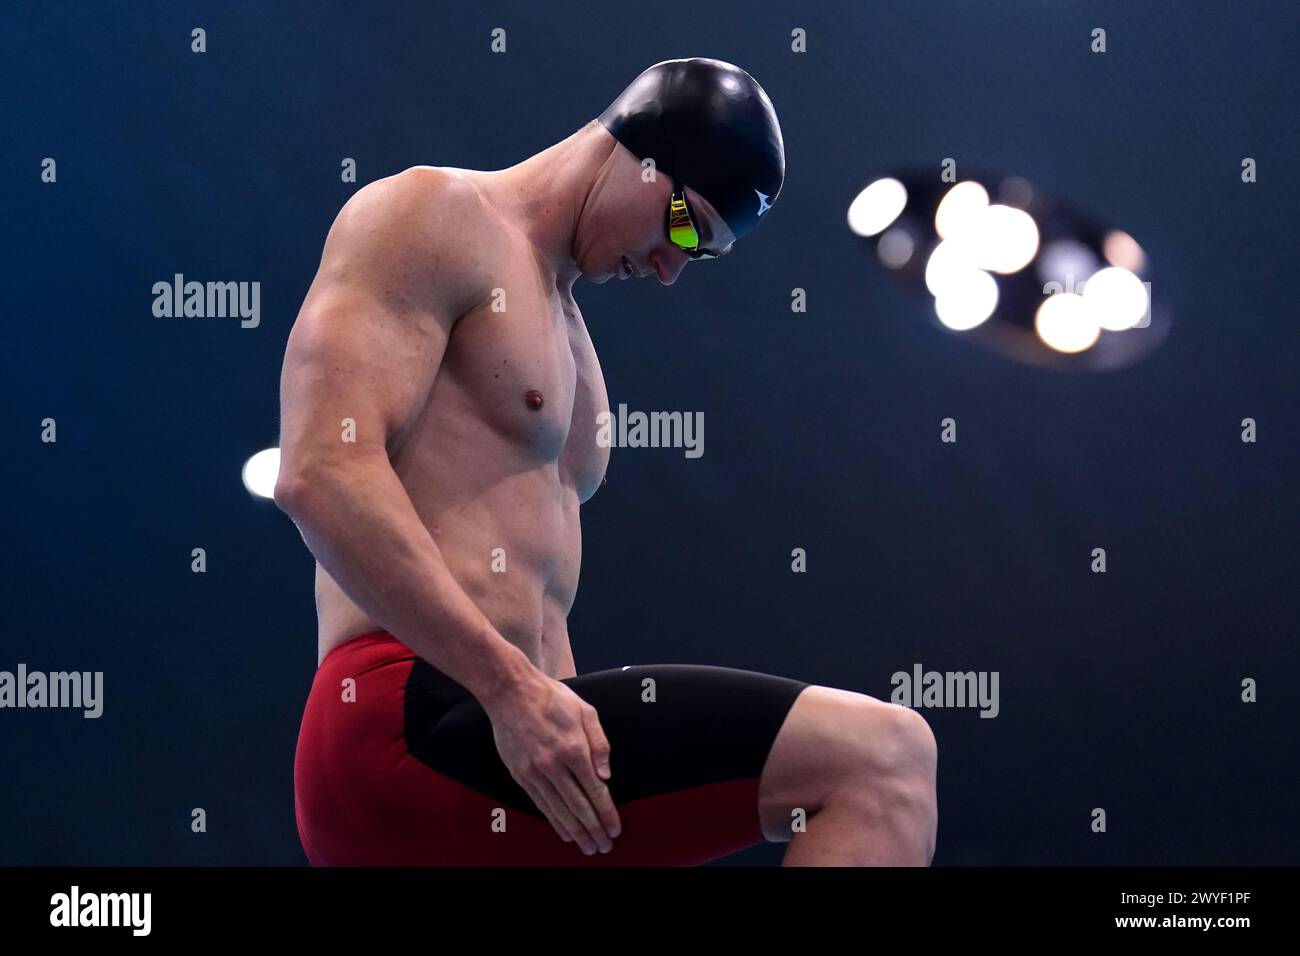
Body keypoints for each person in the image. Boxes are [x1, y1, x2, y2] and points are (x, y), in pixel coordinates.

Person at [279, 57, 937, 865]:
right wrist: (507, 687)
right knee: (883, 759)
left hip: (514, 742)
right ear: (639, 147)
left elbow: (537, 601)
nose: (671, 267)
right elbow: (321, 470)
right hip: (407, 721)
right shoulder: (433, 214)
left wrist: (544, 716)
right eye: (686, 224)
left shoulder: (575, 351)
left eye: (705, 253)